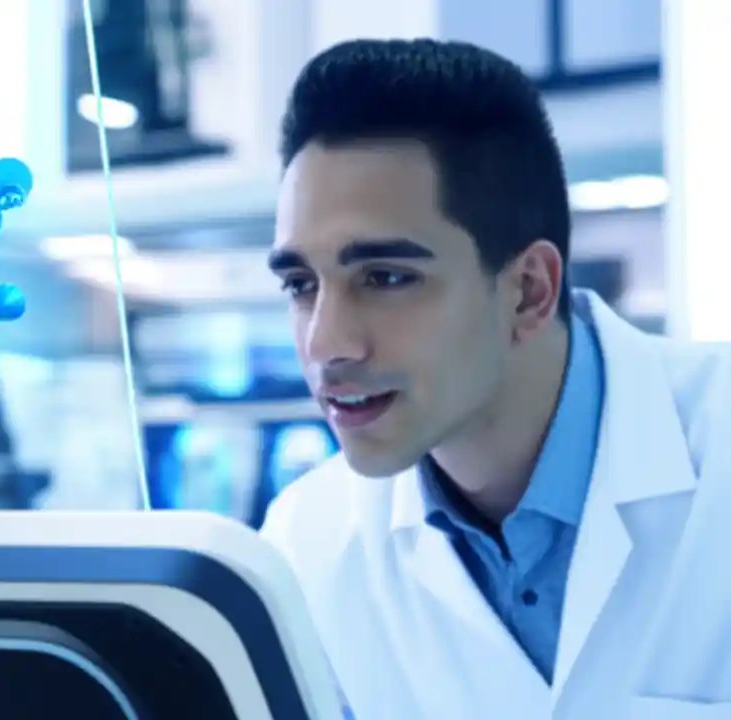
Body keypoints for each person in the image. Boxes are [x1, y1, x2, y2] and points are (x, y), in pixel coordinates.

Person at [260, 38, 731, 720]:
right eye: (301, 285)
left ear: (529, 291)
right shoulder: (307, 542)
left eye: (385, 278)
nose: (325, 345)